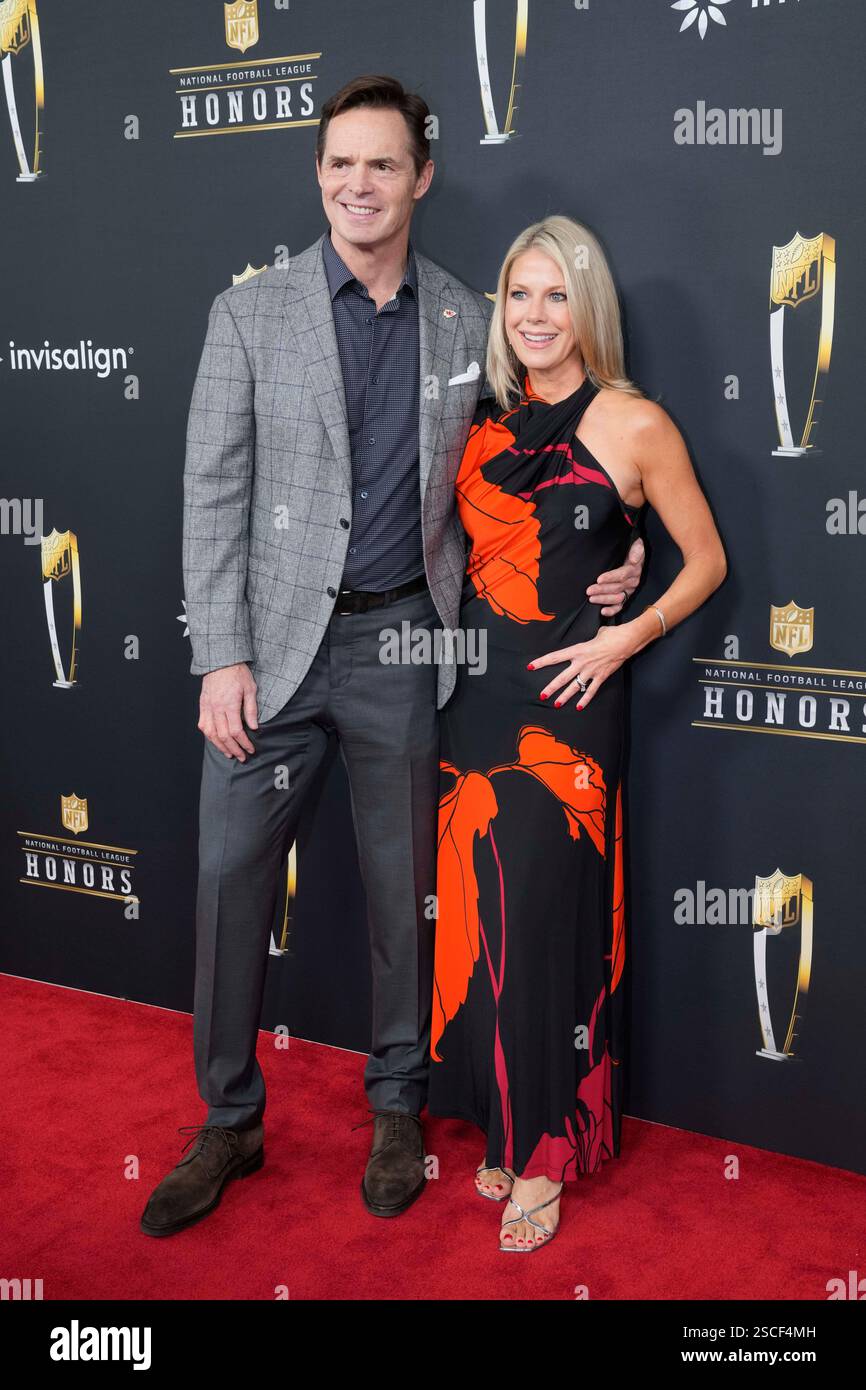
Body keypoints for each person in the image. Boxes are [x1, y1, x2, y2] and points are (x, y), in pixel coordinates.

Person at [140, 79, 645, 1238]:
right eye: (336, 165)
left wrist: (608, 563)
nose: (355, 185)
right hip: (267, 657)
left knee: (402, 895)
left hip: (406, 645)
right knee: (226, 885)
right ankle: (227, 1119)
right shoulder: (248, 313)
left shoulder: (472, 321)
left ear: (421, 178)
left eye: (380, 166)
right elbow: (210, 492)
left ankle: (396, 1109)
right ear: (316, 175)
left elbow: (537, 470)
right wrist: (218, 653)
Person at [427, 214, 727, 1252]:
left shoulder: (635, 423)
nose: (535, 315)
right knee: (487, 914)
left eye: (556, 295)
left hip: (570, 710)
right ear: (497, 311)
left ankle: (548, 1150)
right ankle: (504, 1118)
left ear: (585, 307)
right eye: (518, 295)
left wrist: (625, 634)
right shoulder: (475, 419)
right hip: (474, 700)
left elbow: (705, 560)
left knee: (552, 925)